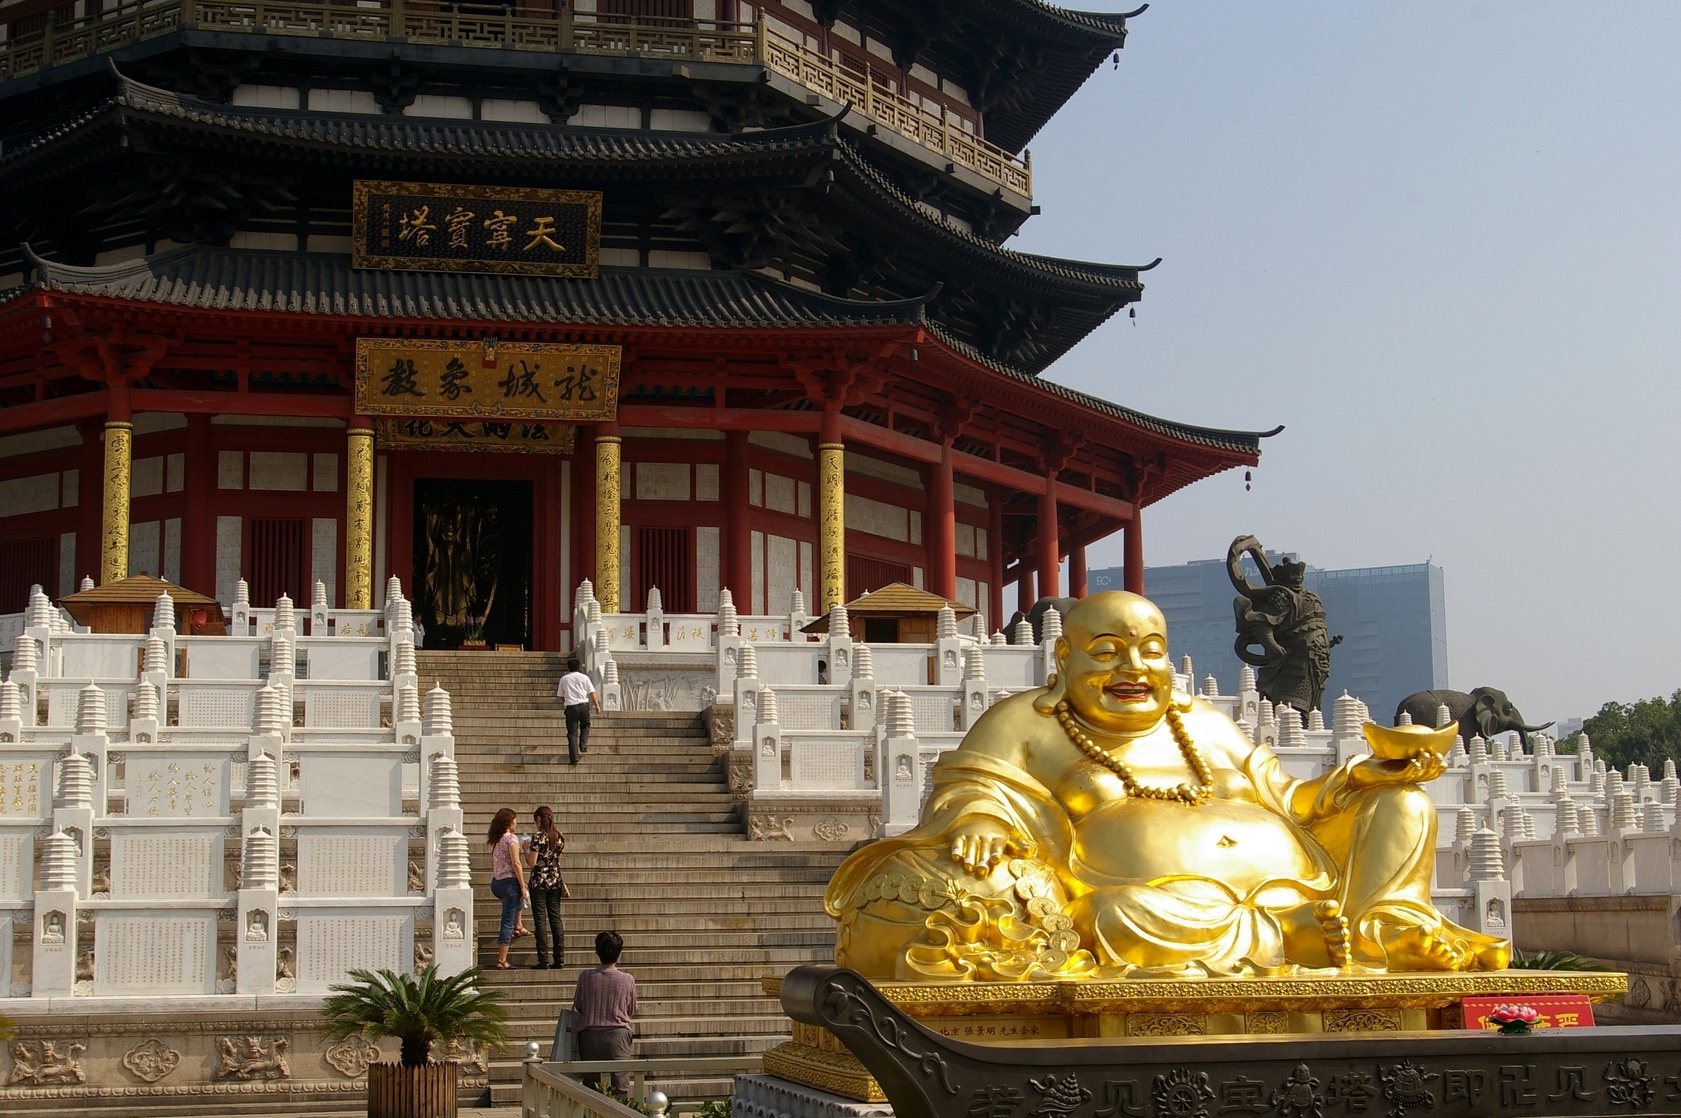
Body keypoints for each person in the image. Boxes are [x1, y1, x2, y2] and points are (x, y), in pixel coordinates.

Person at [825, 590, 1509, 979]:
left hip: (1302, 882)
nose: (1132, 667)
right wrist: (979, 820)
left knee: (1402, 802)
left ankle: (1382, 926)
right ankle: (1299, 939)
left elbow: (1287, 802)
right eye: (1106, 651)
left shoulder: (1201, 722)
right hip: (1147, 904)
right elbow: (972, 788)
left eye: (1148, 651)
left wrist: (1363, 776)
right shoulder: (1026, 722)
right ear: (1062, 659)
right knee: (1119, 922)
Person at [573, 930, 637, 1095]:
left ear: (597, 951)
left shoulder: (585, 976)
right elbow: (631, 1009)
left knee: (591, 1085)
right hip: (618, 1033)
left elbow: (579, 1004)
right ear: (619, 952)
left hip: (589, 1033)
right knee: (620, 1084)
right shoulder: (627, 979)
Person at [525, 805, 568, 969]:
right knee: (555, 919)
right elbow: (558, 860)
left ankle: (543, 959)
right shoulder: (559, 836)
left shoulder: (537, 837)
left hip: (539, 882)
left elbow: (532, 862)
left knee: (540, 920)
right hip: (555, 881)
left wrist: (525, 850)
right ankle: (559, 958)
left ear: (538, 820)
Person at [486, 807, 529, 969]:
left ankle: (519, 925)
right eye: (515, 819)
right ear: (509, 821)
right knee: (507, 922)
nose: (516, 822)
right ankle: (502, 959)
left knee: (515, 905)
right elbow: (516, 863)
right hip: (509, 882)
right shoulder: (511, 839)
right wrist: (522, 883)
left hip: (497, 882)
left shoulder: (496, 839)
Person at [557, 656, 601, 765]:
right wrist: (597, 705)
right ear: (579, 667)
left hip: (571, 707)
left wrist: (566, 701)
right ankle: (583, 744)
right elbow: (591, 692)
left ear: (568, 668)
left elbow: (560, 695)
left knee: (572, 733)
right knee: (585, 725)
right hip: (583, 706)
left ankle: (574, 758)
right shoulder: (584, 678)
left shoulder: (564, 679)